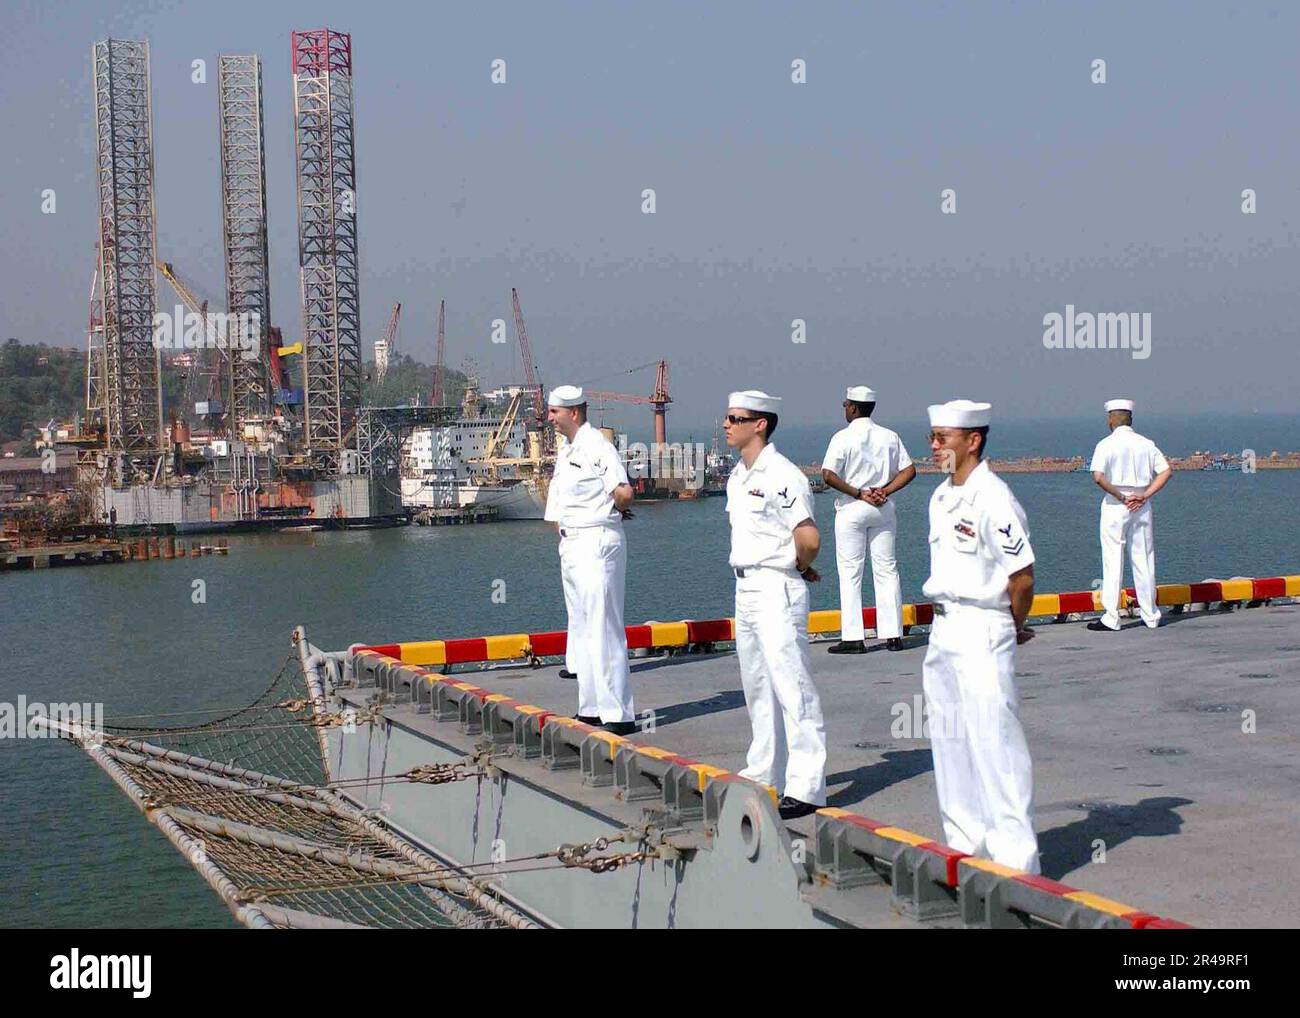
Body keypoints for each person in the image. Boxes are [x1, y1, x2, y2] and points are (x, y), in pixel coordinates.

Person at [921, 399, 1040, 873]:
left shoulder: (994, 497)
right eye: (932, 437)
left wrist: (1009, 625)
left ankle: (1018, 864)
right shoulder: (942, 497)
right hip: (944, 628)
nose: (933, 447)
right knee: (951, 744)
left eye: (942, 438)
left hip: (983, 626)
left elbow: (1023, 576)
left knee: (995, 744)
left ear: (972, 441)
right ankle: (967, 849)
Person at [724, 389, 828, 820]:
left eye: (736, 417)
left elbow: (808, 538)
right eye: (727, 417)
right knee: (757, 684)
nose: (727, 423)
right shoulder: (737, 476)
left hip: (776, 587)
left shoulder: (782, 474)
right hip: (746, 586)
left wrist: (797, 567)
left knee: (791, 684)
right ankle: (763, 770)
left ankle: (806, 785)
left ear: (760, 424)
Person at [543, 385, 638, 735]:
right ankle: (592, 707)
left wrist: (611, 511)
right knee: (582, 626)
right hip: (572, 545)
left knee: (603, 626)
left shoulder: (598, 446)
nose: (549, 418)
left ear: (574, 412)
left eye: (554, 412)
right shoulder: (568, 449)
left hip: (596, 542)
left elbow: (623, 491)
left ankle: (619, 713)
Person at [821, 385, 916, 653]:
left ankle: (854, 638)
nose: (844, 409)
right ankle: (893, 635)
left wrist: (858, 493)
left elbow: (828, 475)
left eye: (845, 405)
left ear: (852, 407)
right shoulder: (889, 436)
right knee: (887, 569)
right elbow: (909, 470)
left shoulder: (841, 437)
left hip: (852, 508)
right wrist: (884, 490)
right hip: (883, 507)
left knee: (851, 573)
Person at [1088, 398, 1172, 632]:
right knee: (1144, 558)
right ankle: (1151, 615)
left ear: (1111, 420)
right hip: (1142, 505)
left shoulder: (1105, 444)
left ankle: (1111, 617)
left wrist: (1122, 497)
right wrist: (1144, 495)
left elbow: (1098, 477)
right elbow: (1166, 471)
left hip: (1116, 505)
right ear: (1131, 419)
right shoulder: (1146, 443)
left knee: (1113, 559)